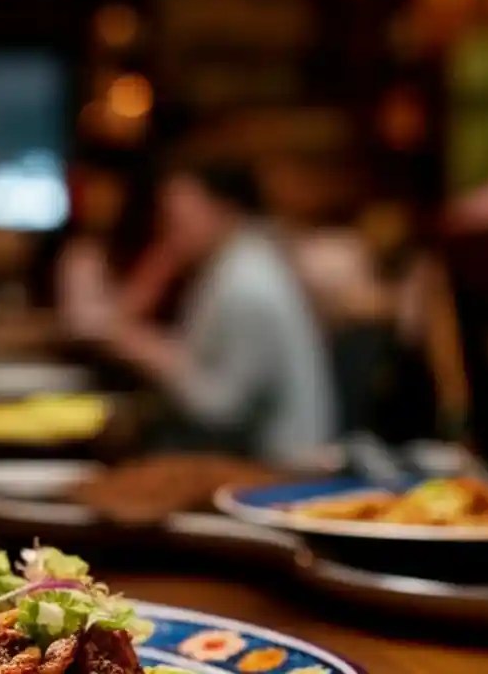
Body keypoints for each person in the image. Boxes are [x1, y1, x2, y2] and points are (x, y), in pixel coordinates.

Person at [62, 161, 334, 467]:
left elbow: (223, 412)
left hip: (278, 470)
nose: (166, 231)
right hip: (242, 457)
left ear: (223, 210)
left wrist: (149, 350)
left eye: (176, 219)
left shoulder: (246, 285)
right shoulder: (232, 265)